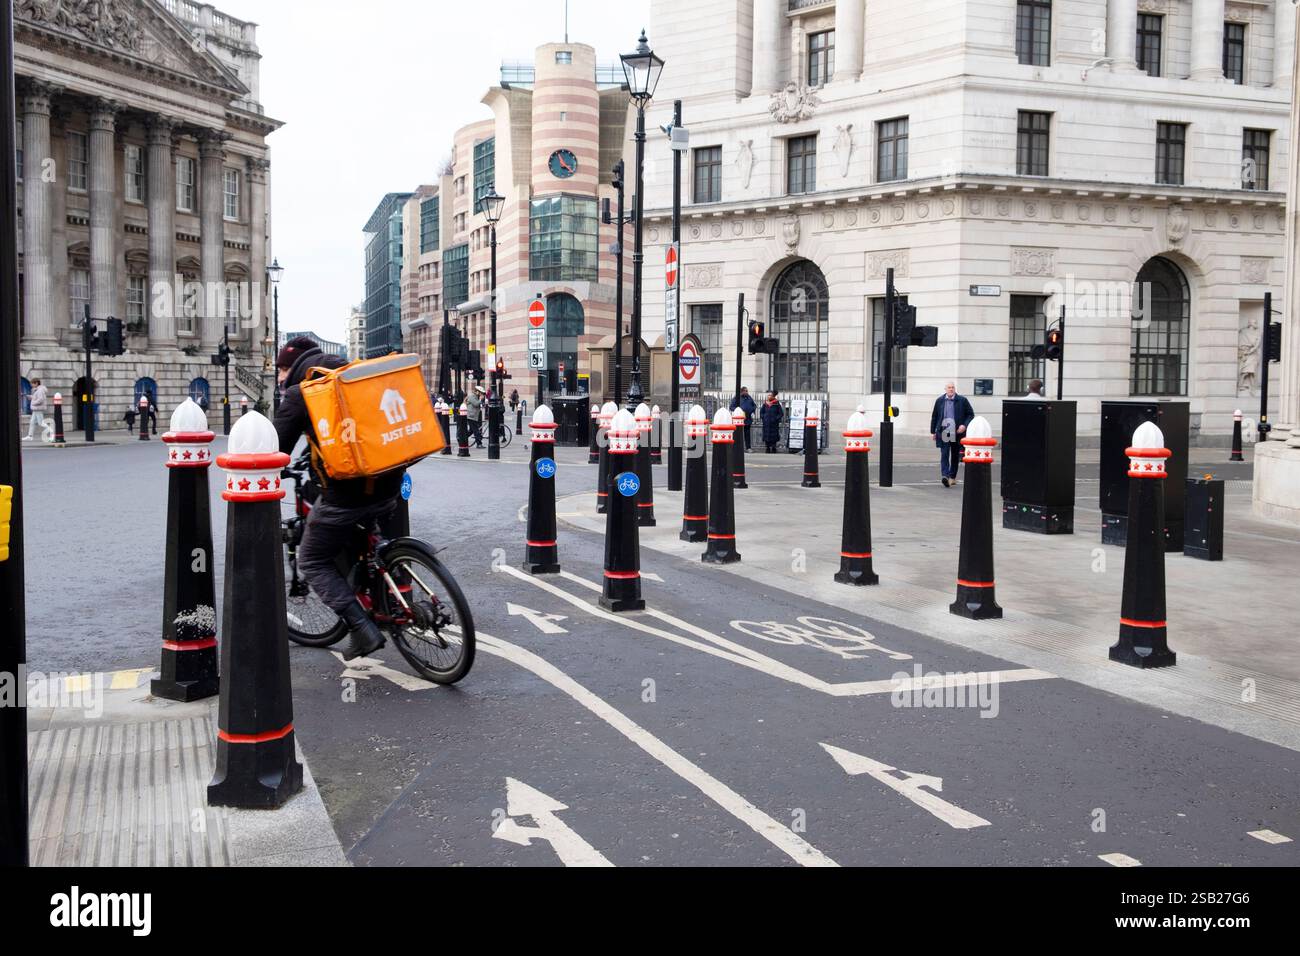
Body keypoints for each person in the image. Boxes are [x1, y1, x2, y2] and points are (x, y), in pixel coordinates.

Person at [274, 335, 402, 661]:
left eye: (279, 370)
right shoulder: (351, 375)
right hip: (389, 483)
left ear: (290, 367)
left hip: (347, 494)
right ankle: (385, 583)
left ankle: (362, 628)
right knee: (365, 535)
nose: (278, 377)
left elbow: (273, 451)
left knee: (313, 560)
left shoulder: (301, 393)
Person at [929, 381, 974, 488]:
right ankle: (945, 475)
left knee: (954, 454)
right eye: (949, 387)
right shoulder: (940, 400)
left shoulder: (962, 400)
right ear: (945, 389)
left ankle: (952, 477)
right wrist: (933, 431)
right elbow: (934, 416)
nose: (951, 389)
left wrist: (964, 425)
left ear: (955, 389)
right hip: (944, 430)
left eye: (953, 387)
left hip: (957, 431)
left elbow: (970, 414)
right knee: (944, 453)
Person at [729, 386, 757, 451]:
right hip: (739, 420)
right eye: (746, 391)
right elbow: (731, 407)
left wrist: (751, 410)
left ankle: (748, 447)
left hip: (748, 418)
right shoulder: (736, 398)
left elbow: (754, 405)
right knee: (738, 434)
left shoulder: (749, 398)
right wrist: (739, 410)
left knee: (747, 434)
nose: (747, 392)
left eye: (747, 391)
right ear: (742, 391)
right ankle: (738, 447)